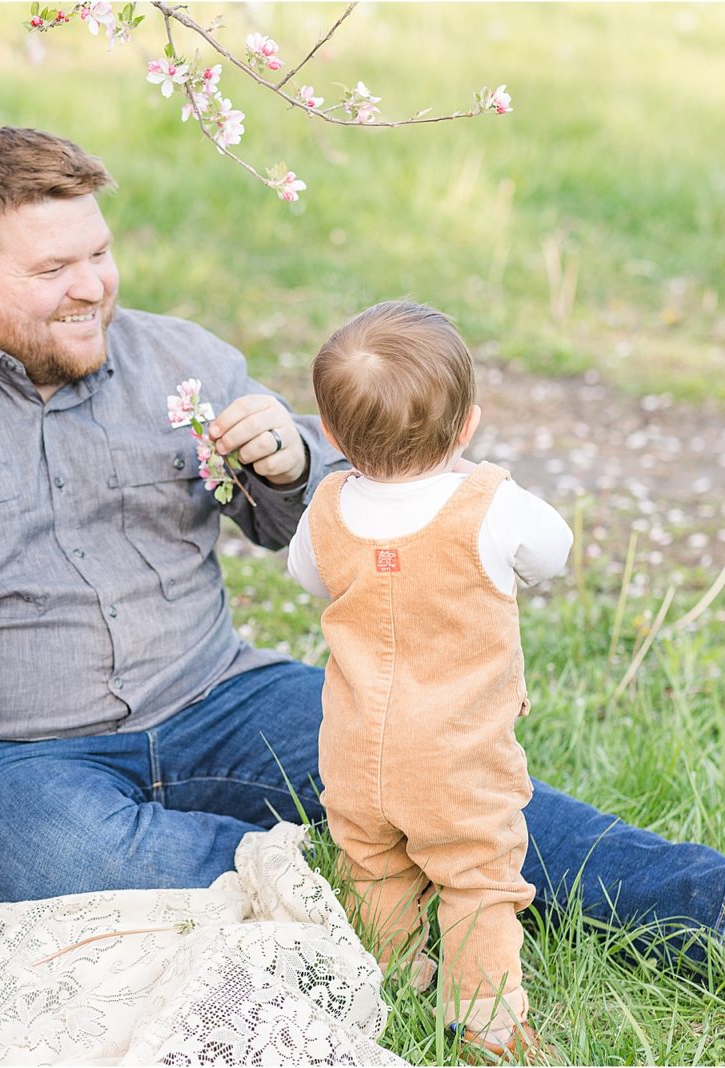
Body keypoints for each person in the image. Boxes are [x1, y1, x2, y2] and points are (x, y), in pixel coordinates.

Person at [0, 126, 725, 1004]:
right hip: (16, 749)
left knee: (448, 775)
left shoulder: (182, 360)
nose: (92, 286)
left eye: (99, 253)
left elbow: (350, 502)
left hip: (219, 695)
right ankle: (384, 906)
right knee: (52, 859)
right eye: (53, 269)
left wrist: (292, 463)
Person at [285, 300, 574, 1057]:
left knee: (372, 869)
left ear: (332, 435)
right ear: (468, 425)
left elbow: (308, 576)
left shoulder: (328, 508)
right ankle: (485, 1021)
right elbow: (554, 552)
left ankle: (385, 982)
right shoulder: (489, 506)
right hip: (457, 756)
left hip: (353, 752)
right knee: (478, 880)